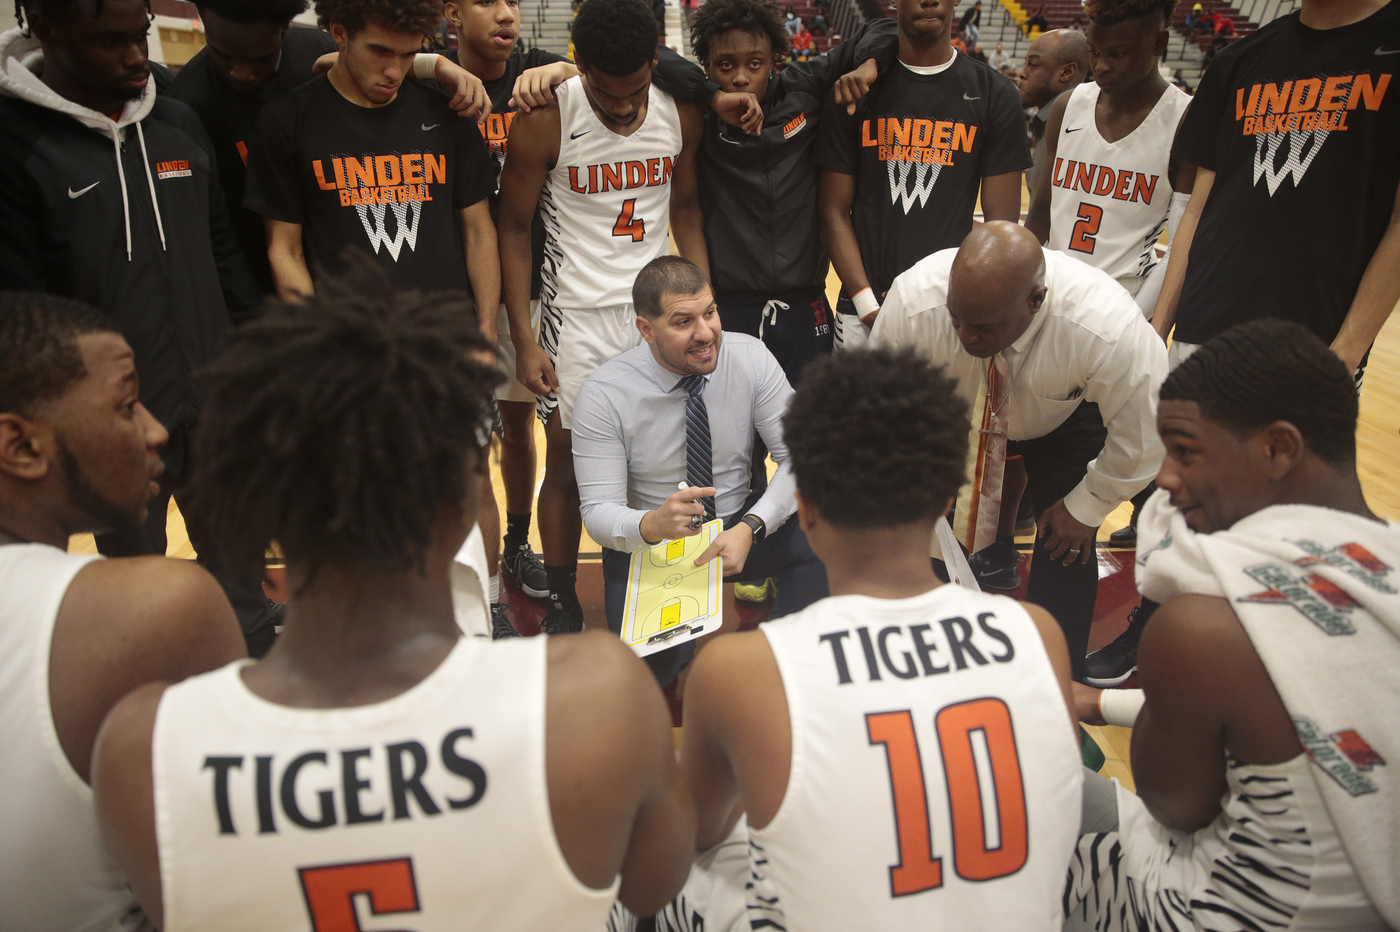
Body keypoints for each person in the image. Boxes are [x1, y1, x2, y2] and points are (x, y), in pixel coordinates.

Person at [90, 263, 697, 932]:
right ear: (461, 497)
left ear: (263, 503)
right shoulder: (598, 697)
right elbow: (655, 884)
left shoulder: (140, 748)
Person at [659, 347, 1083, 932]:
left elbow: (696, 833)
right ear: (944, 501)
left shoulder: (740, 670)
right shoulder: (1037, 633)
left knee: (661, 870)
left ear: (804, 510)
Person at [1066, 320, 1398, 932]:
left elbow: (1175, 809)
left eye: (1184, 450)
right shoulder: (1380, 574)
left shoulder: (1201, 630)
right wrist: (1101, 704)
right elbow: (1302, 725)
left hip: (1203, 910)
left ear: (1277, 448)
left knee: (993, 788)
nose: (1164, 479)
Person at [0, 0, 284, 649]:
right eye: (110, 41)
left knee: (241, 576)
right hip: (111, 420)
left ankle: (250, 667)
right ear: (46, 28)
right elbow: (23, 311)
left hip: (212, 399)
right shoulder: (18, 143)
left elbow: (222, 256)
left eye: (140, 36)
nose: (135, 56)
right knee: (140, 592)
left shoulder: (178, 121)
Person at [0, 292, 246, 931]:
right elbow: (242, 893)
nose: (155, 429)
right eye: (125, 404)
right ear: (20, 447)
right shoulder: (159, 610)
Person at [870, 222, 1167, 678]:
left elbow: (1145, 437)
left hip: (1064, 418)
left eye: (983, 326)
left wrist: (1089, 506)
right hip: (949, 413)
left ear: (1036, 300)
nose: (965, 337)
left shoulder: (1105, 326)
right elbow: (877, 402)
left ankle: (1052, 681)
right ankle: (923, 663)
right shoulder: (914, 300)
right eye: (956, 318)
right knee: (919, 530)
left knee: (1068, 540)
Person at [498, 0, 707, 634]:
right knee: (565, 460)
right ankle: (562, 595)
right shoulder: (545, 117)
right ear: (577, 64)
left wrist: (705, 304)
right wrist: (524, 335)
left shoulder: (679, 110)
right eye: (605, 95)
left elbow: (688, 208)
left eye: (634, 91)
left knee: (661, 460)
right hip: (576, 318)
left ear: (654, 63)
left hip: (654, 315)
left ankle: (660, 585)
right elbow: (511, 227)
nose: (621, 109)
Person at [572, 256, 829, 686]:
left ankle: (793, 663)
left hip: (736, 522)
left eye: (709, 312)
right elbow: (598, 510)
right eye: (683, 321)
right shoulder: (603, 394)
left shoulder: (750, 357)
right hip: (652, 541)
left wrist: (751, 526)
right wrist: (652, 523)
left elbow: (802, 454)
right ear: (646, 329)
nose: (706, 332)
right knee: (653, 678)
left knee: (826, 527)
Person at [1151, 0, 1400, 381]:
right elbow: (1198, 210)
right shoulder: (1236, 60)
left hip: (1314, 354)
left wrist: (1347, 352)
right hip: (1199, 336)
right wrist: (1160, 327)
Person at [169, 0, 489, 296]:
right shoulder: (192, 101)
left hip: (404, 298)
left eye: (259, 58)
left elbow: (365, 54)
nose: (243, 72)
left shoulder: (312, 49)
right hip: (265, 264)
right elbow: (230, 237)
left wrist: (434, 64)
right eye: (225, 56)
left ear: (282, 32)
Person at [689, 0, 897, 387]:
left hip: (807, 308)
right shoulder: (697, 118)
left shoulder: (803, 89)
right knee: (736, 447)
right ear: (706, 68)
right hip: (733, 310)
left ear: (774, 62)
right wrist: (710, 96)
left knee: (807, 443)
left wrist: (870, 64)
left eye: (754, 63)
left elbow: (885, 28)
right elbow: (656, 63)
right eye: (725, 65)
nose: (739, 77)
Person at [816, 0, 1031, 351]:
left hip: (950, 313)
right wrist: (869, 306)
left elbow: (1001, 229)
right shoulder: (855, 91)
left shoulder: (996, 93)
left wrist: (961, 304)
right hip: (862, 311)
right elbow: (832, 212)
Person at [1027, 0, 1192, 309]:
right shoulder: (1067, 107)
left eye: (1117, 54)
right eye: (1095, 52)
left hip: (1123, 303)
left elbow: (1178, 250)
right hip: (1050, 297)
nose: (1101, 66)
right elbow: (1040, 214)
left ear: (1159, 43)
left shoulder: (1184, 119)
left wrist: (1137, 322)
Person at [1017, 29, 1090, 197]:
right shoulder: (1051, 120)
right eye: (1025, 63)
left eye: (1033, 65)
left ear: (1066, 72)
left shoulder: (1075, 132)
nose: (1022, 74)